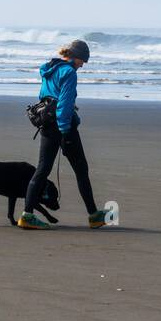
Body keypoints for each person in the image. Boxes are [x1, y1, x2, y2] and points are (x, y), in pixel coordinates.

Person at [18, 39, 107, 230]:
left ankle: (27, 215)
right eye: (83, 60)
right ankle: (94, 216)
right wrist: (66, 130)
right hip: (62, 127)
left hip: (46, 123)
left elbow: (45, 95)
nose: (83, 65)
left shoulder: (49, 68)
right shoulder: (69, 73)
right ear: (75, 57)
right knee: (81, 169)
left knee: (42, 169)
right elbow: (64, 104)